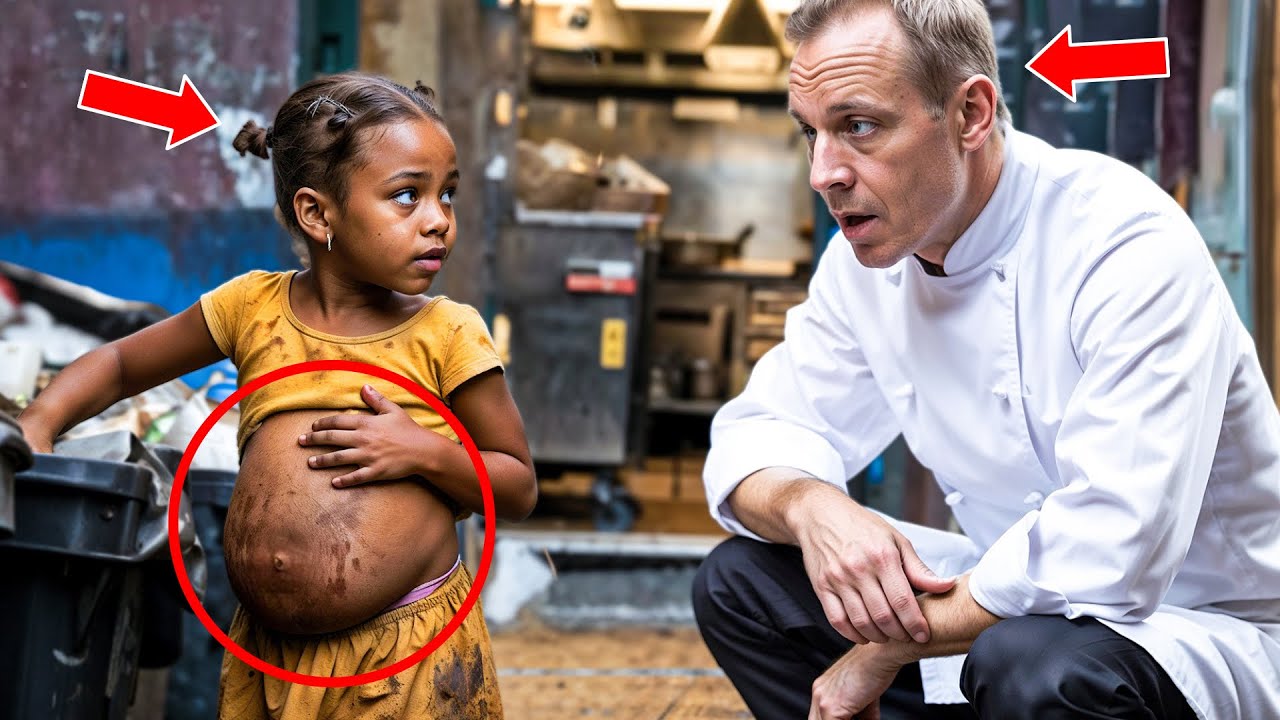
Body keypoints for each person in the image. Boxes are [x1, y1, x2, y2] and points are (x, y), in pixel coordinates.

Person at [691, 1, 1280, 718]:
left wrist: (887, 645)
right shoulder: (866, 265)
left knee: (1036, 666)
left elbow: (1115, 543)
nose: (823, 172)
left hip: (1197, 629)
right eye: (809, 132)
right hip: (1013, 610)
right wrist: (813, 506)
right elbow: (756, 434)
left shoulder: (1123, 241)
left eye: (859, 126)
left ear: (971, 113)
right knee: (743, 583)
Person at [18, 71, 536, 719]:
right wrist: (38, 426)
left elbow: (516, 485)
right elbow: (121, 363)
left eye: (447, 196)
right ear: (317, 212)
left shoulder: (447, 332)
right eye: (408, 196)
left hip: (404, 662)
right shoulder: (251, 307)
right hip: (274, 659)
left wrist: (424, 452)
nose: (438, 221)